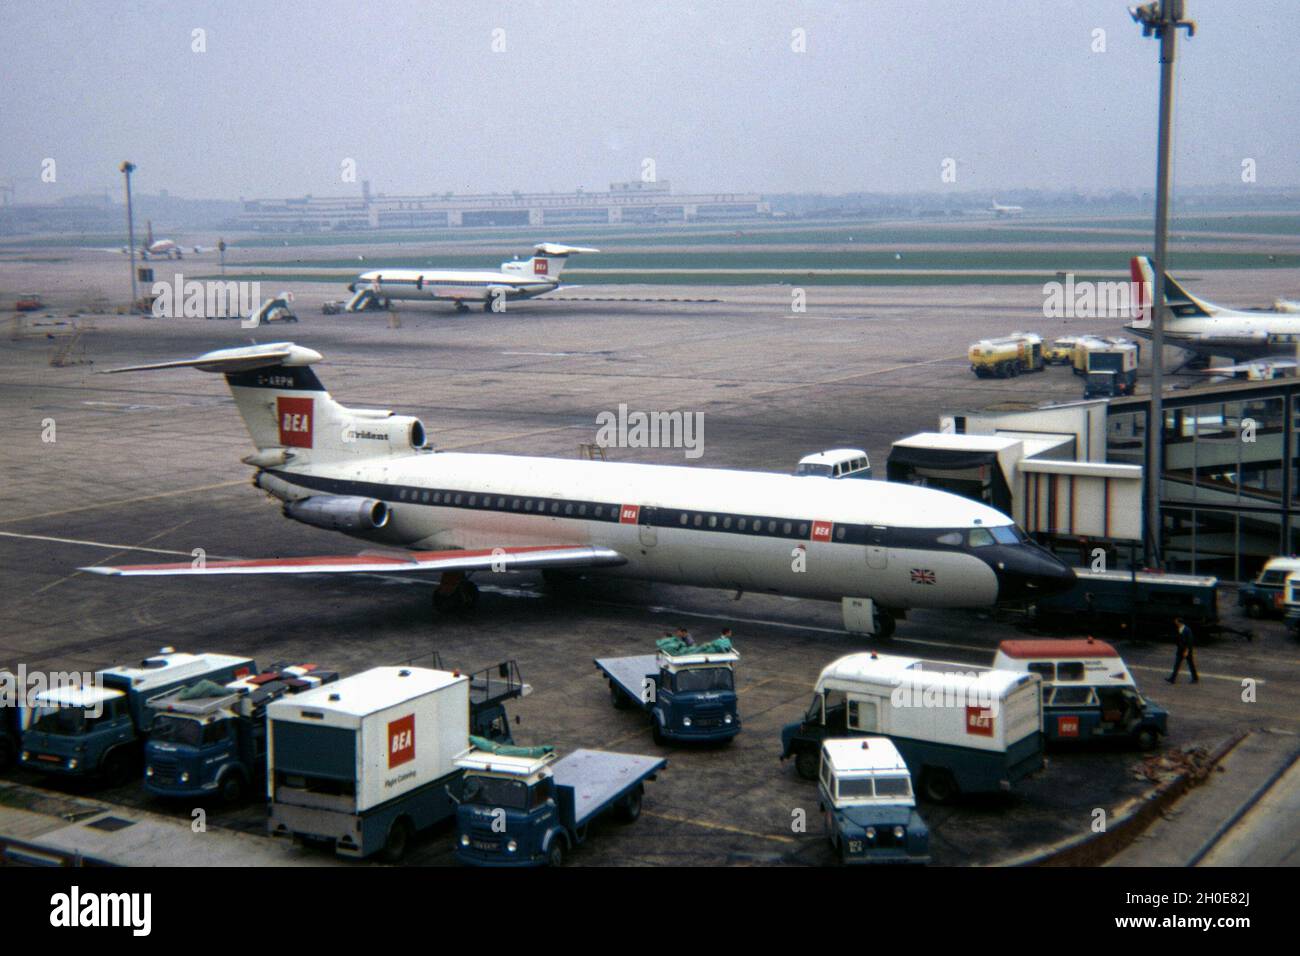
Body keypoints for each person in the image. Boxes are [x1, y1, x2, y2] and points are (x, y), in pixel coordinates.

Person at [1166, 617, 1199, 684]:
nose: (1176, 623)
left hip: (1186, 650)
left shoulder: (1187, 630)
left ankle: (1195, 678)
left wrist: (1187, 651)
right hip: (1180, 649)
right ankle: (1172, 678)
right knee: (1177, 664)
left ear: (1180, 623)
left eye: (1177, 622)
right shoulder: (1180, 629)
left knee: (1190, 664)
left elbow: (1190, 641)